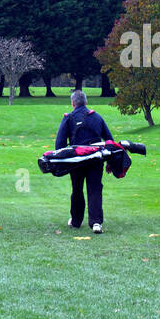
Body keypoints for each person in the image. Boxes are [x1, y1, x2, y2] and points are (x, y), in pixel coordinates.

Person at [55, 89, 113, 234]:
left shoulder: (68, 118)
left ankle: (76, 221)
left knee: (77, 189)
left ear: (73, 103)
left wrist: (62, 163)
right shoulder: (97, 117)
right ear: (86, 102)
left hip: (77, 160)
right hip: (96, 160)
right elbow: (109, 140)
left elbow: (59, 144)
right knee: (94, 189)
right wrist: (110, 162)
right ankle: (96, 223)